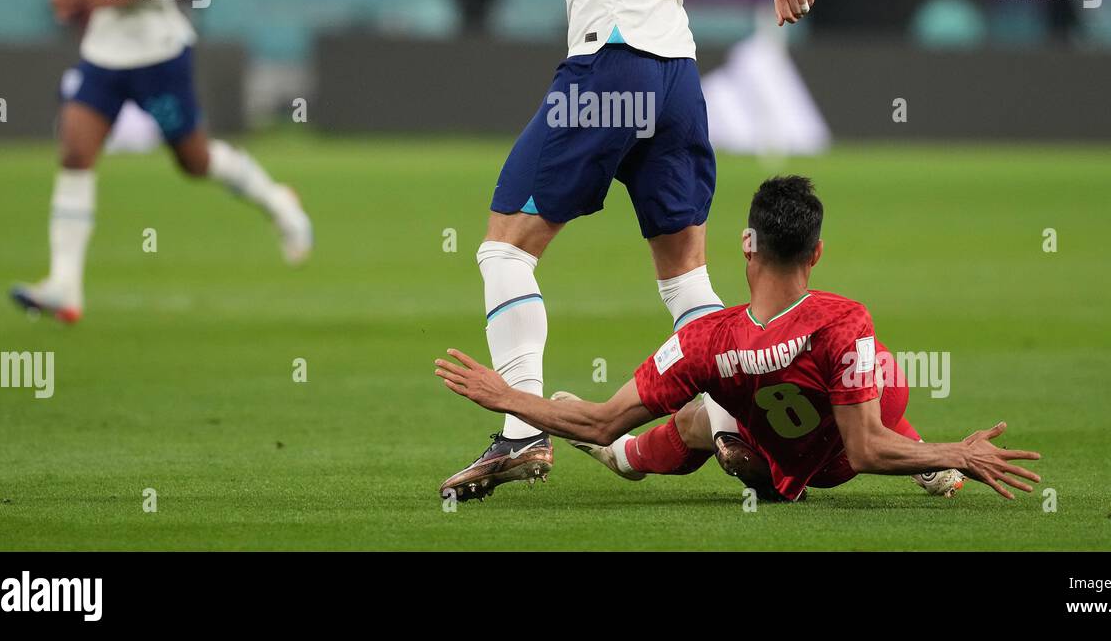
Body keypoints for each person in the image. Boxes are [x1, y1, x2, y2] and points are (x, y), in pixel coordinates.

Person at [323, 0, 814, 500]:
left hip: (609, 70)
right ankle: (738, 423)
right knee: (688, 281)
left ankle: (521, 435)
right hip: (675, 82)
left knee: (504, 249)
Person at [436, 177, 1042, 503]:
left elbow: (599, 420)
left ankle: (647, 461)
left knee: (691, 425)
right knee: (881, 375)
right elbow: (864, 452)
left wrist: (506, 396)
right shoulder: (845, 319)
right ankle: (924, 467)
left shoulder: (703, 339)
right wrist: (954, 452)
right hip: (842, 456)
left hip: (768, 432)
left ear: (747, 246)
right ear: (818, 252)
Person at [11, 0, 312, 324]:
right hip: (103, 53)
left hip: (157, 51)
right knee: (75, 153)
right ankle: (64, 285)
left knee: (193, 161)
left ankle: (276, 199)